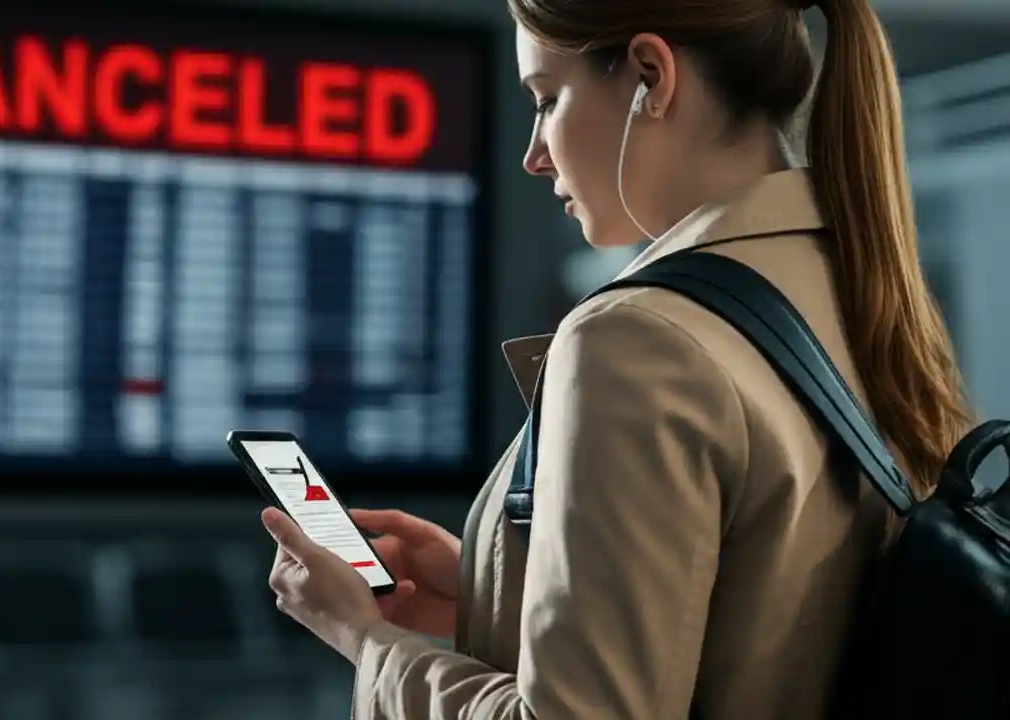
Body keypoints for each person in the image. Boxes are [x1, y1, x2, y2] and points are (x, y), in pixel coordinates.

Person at [258, 0, 973, 716]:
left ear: (650, 76)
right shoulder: (863, 295)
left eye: (547, 99)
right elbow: (785, 622)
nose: (534, 154)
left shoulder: (635, 339)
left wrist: (362, 637)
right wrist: (494, 588)